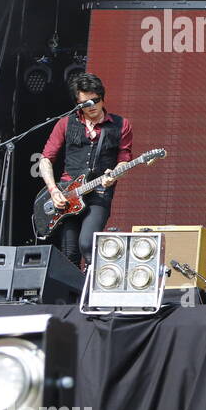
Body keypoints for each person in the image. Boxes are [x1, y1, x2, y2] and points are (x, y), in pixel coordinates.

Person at [39, 73, 133, 269]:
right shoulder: (65, 123)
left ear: (102, 98)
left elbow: (124, 161)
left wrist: (114, 175)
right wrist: (53, 190)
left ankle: (93, 292)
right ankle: (71, 297)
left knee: (87, 244)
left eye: (95, 100)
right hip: (67, 195)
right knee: (69, 252)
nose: (91, 106)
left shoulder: (121, 125)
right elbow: (46, 159)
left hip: (99, 193)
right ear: (77, 103)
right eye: (85, 102)